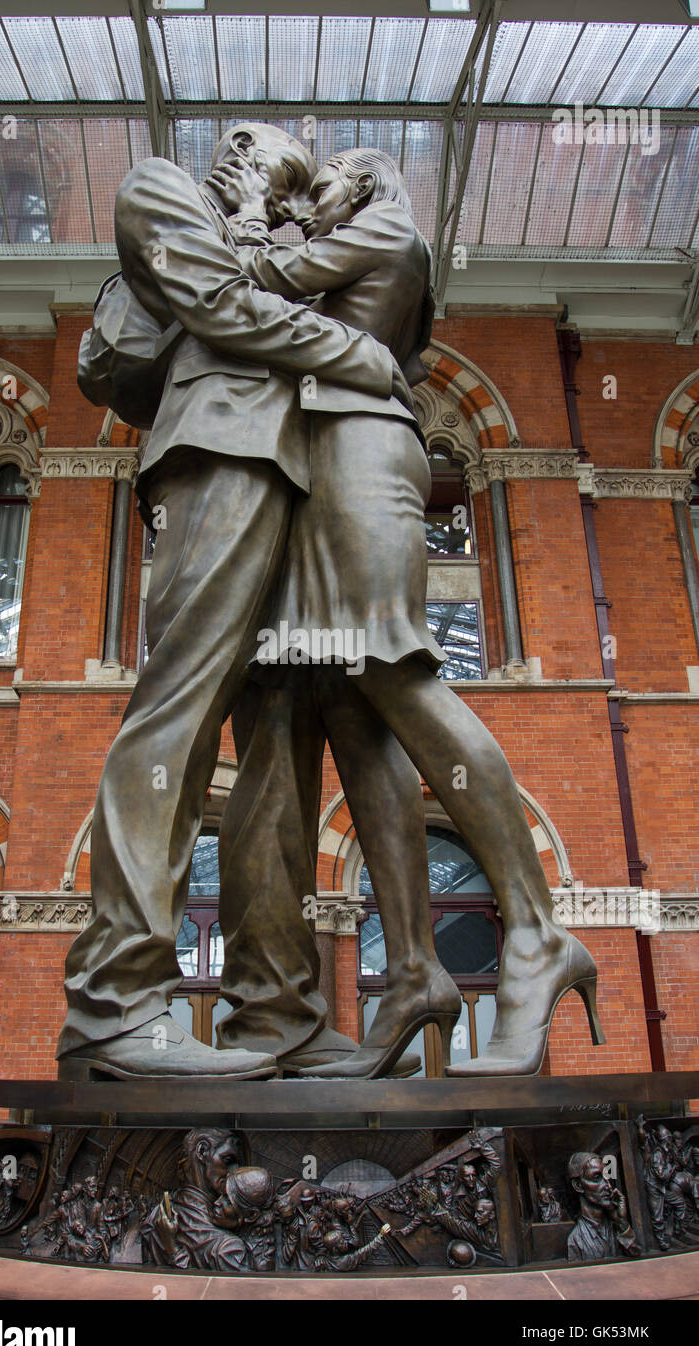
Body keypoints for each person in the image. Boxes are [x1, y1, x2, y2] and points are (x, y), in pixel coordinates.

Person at [213, 147, 602, 1078]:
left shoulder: (387, 227)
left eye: (331, 179)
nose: (316, 196)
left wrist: (249, 211)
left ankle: (538, 933)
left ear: (370, 179)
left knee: (390, 664)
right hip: (323, 463)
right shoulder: (362, 246)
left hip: (362, 454)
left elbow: (255, 282)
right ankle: (415, 972)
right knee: (353, 703)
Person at [55, 124, 412, 1082]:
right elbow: (188, 322)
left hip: (302, 483)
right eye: (251, 152)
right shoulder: (162, 188)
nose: (252, 170)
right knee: (175, 711)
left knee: (283, 750)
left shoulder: (279, 244)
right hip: (220, 455)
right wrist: (355, 356)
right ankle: (114, 1005)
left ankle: (277, 1012)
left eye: (283, 174)